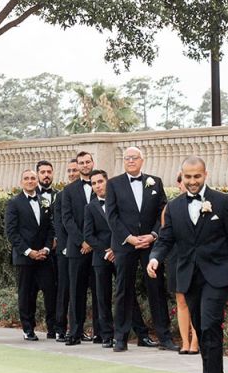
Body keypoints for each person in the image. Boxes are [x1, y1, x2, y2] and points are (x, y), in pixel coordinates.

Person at [149, 155, 228, 373]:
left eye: (197, 176)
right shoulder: (174, 207)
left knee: (208, 326)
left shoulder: (223, 202)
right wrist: (155, 258)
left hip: (218, 275)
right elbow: (165, 238)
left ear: (205, 175)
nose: (192, 181)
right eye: (188, 177)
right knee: (203, 331)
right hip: (188, 277)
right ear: (181, 177)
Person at [106, 145, 177, 352]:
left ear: (142, 160)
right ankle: (121, 337)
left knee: (156, 289)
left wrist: (154, 235)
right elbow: (112, 216)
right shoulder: (114, 184)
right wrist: (129, 238)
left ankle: (165, 337)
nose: (130, 161)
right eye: (127, 158)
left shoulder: (155, 182)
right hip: (125, 245)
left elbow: (162, 212)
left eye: (134, 158)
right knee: (123, 290)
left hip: (150, 245)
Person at [3, 168, 56, 341]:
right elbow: (11, 232)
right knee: (27, 295)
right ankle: (28, 329)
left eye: (33, 178)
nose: (30, 181)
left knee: (51, 292)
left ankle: (52, 329)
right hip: (25, 258)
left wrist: (46, 249)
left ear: (37, 181)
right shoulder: (14, 203)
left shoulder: (44, 201)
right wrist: (29, 252)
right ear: (21, 182)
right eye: (26, 178)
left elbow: (50, 229)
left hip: (44, 257)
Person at [54, 150, 94, 345]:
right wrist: (82, 241)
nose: (85, 165)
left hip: (98, 249)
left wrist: (93, 243)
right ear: (77, 166)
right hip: (76, 248)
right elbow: (67, 220)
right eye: (81, 162)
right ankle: (75, 332)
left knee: (99, 292)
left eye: (88, 161)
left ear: (92, 163)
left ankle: (103, 333)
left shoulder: (104, 185)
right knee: (75, 292)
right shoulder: (67, 192)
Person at [165, 173, 200, 356]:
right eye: (184, 181)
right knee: (181, 300)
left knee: (195, 299)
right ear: (179, 184)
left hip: (196, 257)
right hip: (176, 257)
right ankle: (185, 342)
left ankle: (196, 341)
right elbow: (166, 236)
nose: (188, 184)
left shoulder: (205, 202)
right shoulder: (172, 207)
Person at [81, 168, 117, 347]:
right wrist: (106, 251)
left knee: (126, 295)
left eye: (100, 182)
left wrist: (116, 249)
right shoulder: (90, 207)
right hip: (100, 258)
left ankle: (136, 333)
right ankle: (107, 335)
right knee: (102, 298)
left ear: (107, 181)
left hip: (120, 255)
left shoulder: (120, 202)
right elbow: (89, 235)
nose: (97, 186)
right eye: (93, 183)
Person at [35, 160, 59, 338]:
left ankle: (55, 328)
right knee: (40, 291)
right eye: (42, 172)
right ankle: (31, 327)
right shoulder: (31, 195)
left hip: (60, 251)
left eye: (49, 172)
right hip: (39, 252)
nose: (46, 175)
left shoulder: (60, 195)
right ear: (37, 175)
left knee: (56, 291)